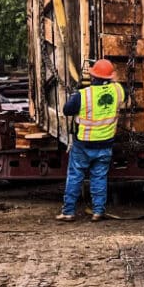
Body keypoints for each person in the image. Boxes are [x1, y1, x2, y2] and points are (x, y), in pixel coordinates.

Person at [56, 58, 126, 222]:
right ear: (110, 76)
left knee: (75, 177)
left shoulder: (83, 95)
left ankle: (68, 212)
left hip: (84, 144)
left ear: (93, 76)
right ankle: (98, 212)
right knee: (99, 178)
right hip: (106, 143)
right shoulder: (119, 90)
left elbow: (67, 110)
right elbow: (123, 90)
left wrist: (75, 95)